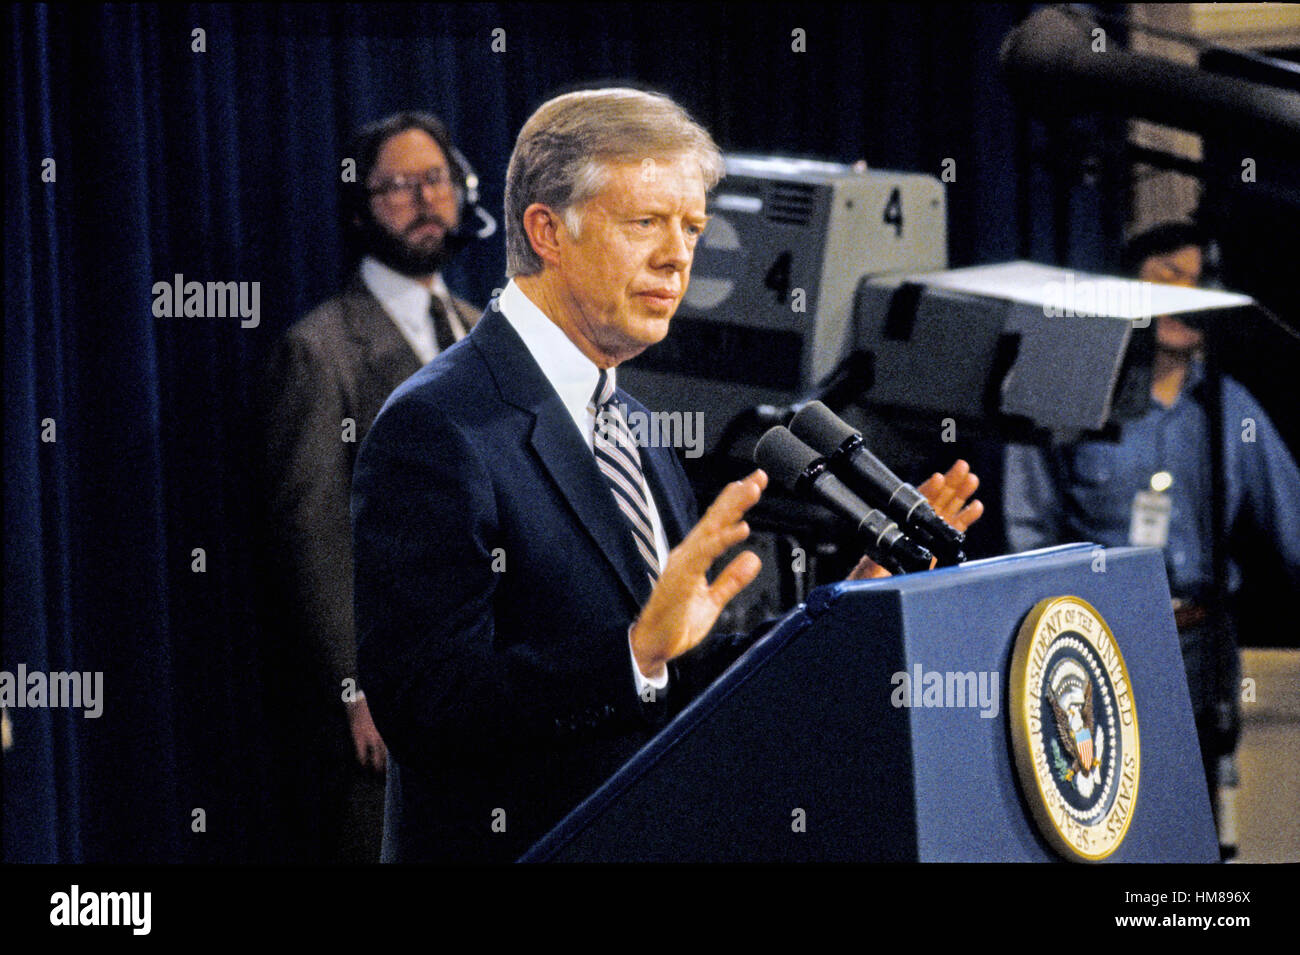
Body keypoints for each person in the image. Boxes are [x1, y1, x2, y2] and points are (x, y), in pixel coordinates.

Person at [352, 88, 982, 863]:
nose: (679, 256)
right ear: (546, 230)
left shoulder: (639, 428)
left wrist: (850, 603)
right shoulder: (440, 425)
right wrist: (631, 654)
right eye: (645, 222)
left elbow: (684, 677)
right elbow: (426, 707)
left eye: (691, 228)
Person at [1003, 221, 1300, 846]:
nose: (1183, 297)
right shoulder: (1075, 398)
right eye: (1167, 277)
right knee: (1100, 818)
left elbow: (1293, 523)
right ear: (1129, 290)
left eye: (1197, 283)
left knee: (1198, 822)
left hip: (1201, 641)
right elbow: (1029, 527)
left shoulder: (1229, 407)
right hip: (1097, 643)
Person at [259, 111, 482, 863]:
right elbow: (312, 528)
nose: (423, 199)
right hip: (388, 704)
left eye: (436, 180)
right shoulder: (320, 351)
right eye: (397, 186)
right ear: (359, 206)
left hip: (492, 691)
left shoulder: (487, 332)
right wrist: (358, 686)